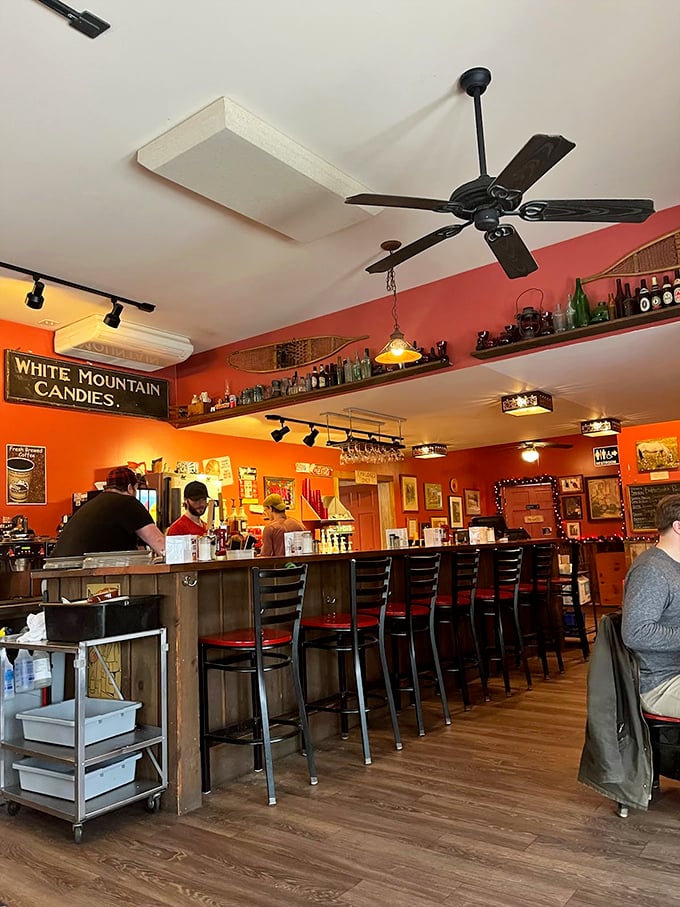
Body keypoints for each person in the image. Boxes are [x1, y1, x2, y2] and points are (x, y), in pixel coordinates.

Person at [622, 493, 680, 717]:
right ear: (678, 526)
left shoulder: (674, 565)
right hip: (661, 684)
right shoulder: (652, 570)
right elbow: (636, 633)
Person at [51, 466, 166, 558]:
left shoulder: (93, 504)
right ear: (130, 488)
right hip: (81, 575)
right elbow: (159, 542)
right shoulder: (128, 503)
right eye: (136, 488)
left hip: (56, 574)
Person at [260, 493, 306, 557]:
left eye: (266, 510)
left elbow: (266, 556)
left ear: (270, 508)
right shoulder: (299, 524)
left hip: (280, 566)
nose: (266, 514)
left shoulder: (270, 528)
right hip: (300, 566)